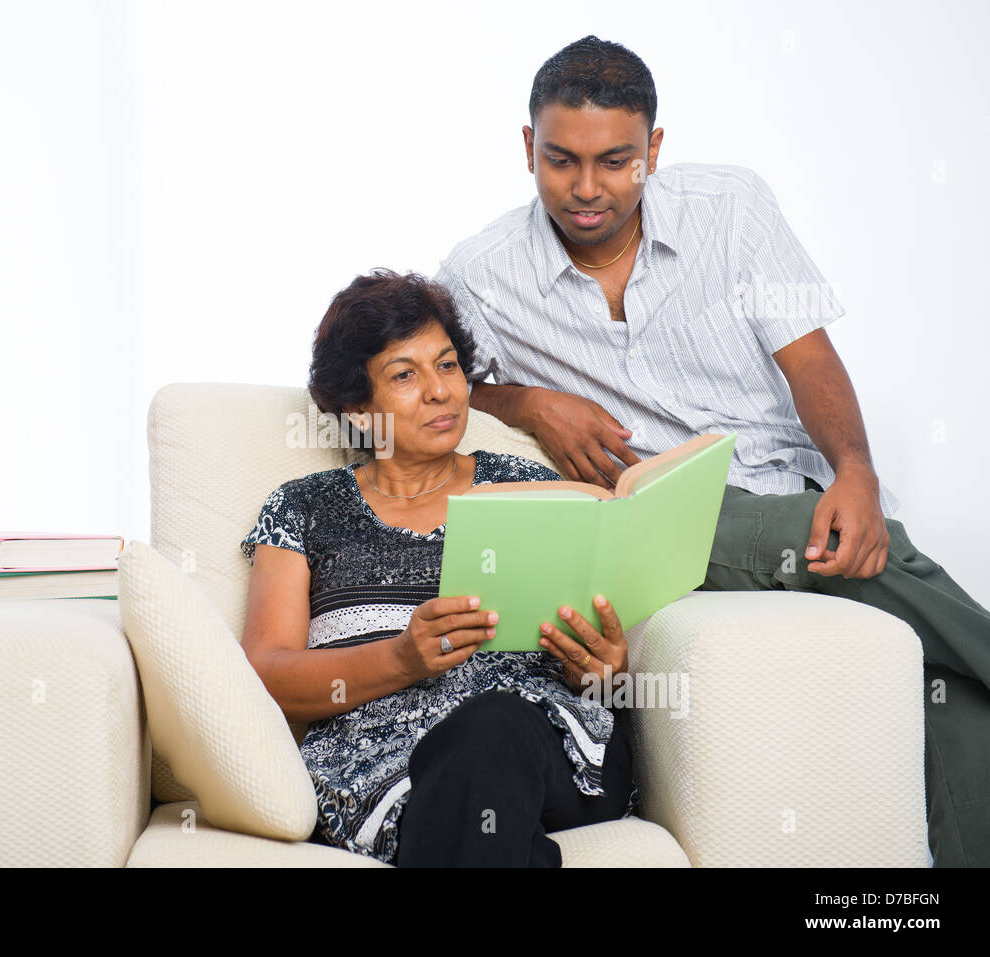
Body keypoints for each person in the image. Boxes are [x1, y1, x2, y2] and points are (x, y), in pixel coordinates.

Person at [432, 34, 990, 866]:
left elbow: (809, 359)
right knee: (833, 545)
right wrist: (529, 401)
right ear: (527, 147)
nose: (586, 189)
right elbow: (432, 386)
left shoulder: (731, 208)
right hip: (657, 520)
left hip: (782, 484)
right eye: (560, 160)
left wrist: (857, 472)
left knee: (941, 696)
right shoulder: (480, 273)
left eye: (616, 160)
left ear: (654, 150)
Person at [239, 269, 637, 867]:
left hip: (552, 746)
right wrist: (400, 659)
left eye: (448, 365)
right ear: (356, 407)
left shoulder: (531, 488)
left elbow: (589, 659)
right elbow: (264, 675)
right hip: (381, 767)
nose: (440, 391)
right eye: (405, 375)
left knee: (492, 729)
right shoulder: (302, 508)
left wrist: (603, 670)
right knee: (480, 820)